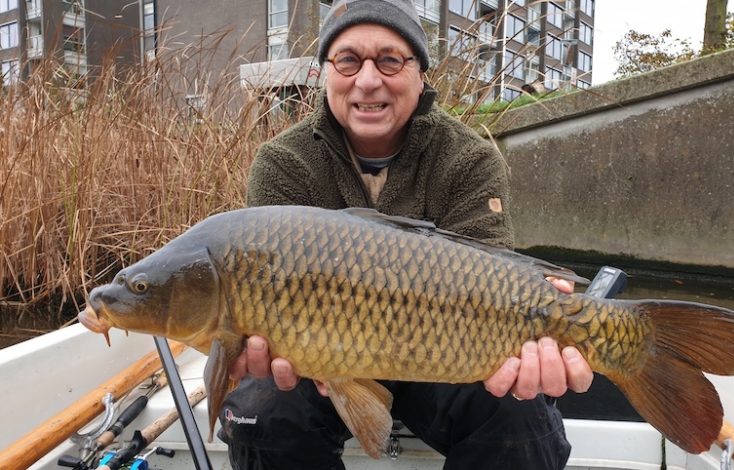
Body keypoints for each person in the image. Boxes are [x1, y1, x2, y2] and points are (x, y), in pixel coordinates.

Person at [218, 1, 594, 468]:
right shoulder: (283, 162)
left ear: (420, 74)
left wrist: (541, 307)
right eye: (348, 60)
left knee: (521, 417)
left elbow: (491, 283)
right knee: (260, 415)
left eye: (390, 60)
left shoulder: (469, 158)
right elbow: (265, 296)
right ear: (326, 73)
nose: (367, 80)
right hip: (318, 353)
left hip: (442, 350)